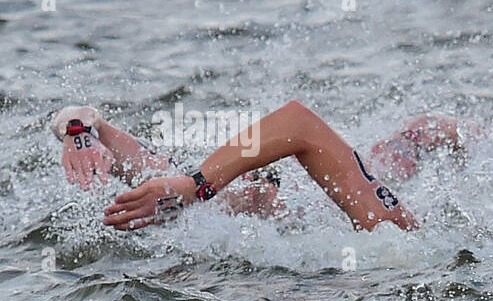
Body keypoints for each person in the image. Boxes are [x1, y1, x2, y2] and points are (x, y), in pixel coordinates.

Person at [48, 101, 469, 232]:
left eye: (260, 170)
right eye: (243, 171)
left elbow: (297, 123)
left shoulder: (384, 225)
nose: (249, 178)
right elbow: (81, 114)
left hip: (366, 184)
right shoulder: (183, 197)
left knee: (429, 131)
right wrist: (78, 131)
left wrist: (198, 184)